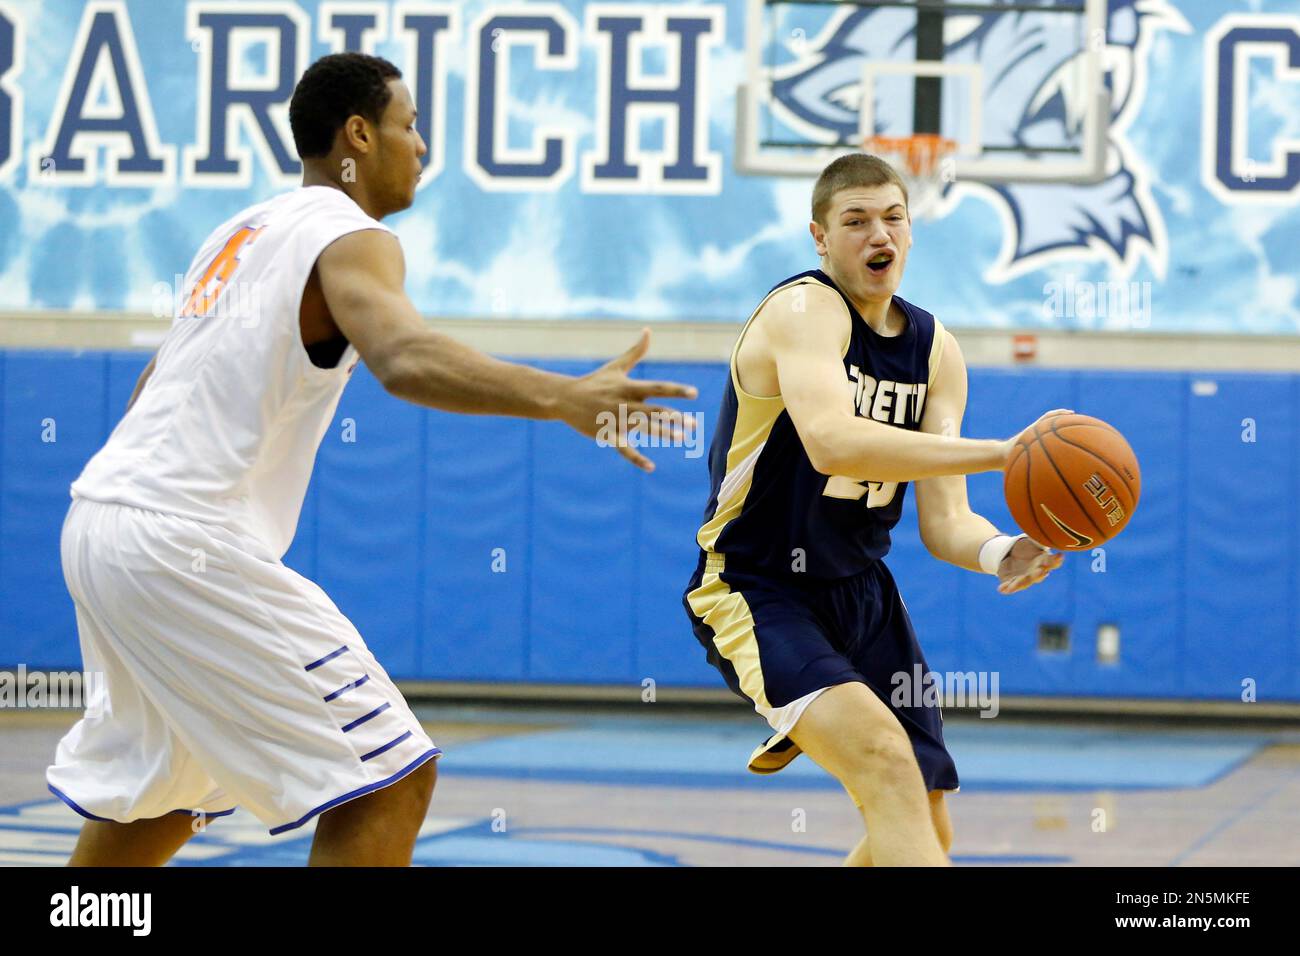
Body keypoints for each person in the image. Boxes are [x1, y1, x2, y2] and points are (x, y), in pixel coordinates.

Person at [47, 52, 696, 867]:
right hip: (181, 541)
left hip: (101, 523)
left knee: (168, 793)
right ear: (359, 133)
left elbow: (154, 379)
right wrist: (561, 396)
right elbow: (405, 357)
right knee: (389, 779)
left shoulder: (238, 232)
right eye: (409, 125)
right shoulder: (352, 233)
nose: (421, 146)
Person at [682, 153, 1065, 866]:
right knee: (886, 763)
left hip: (865, 595)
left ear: (912, 233)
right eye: (854, 221)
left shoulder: (935, 351)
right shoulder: (803, 310)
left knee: (925, 824)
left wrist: (997, 550)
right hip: (757, 585)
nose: (876, 234)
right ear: (819, 238)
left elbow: (946, 520)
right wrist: (1002, 453)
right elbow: (831, 443)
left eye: (892, 217)